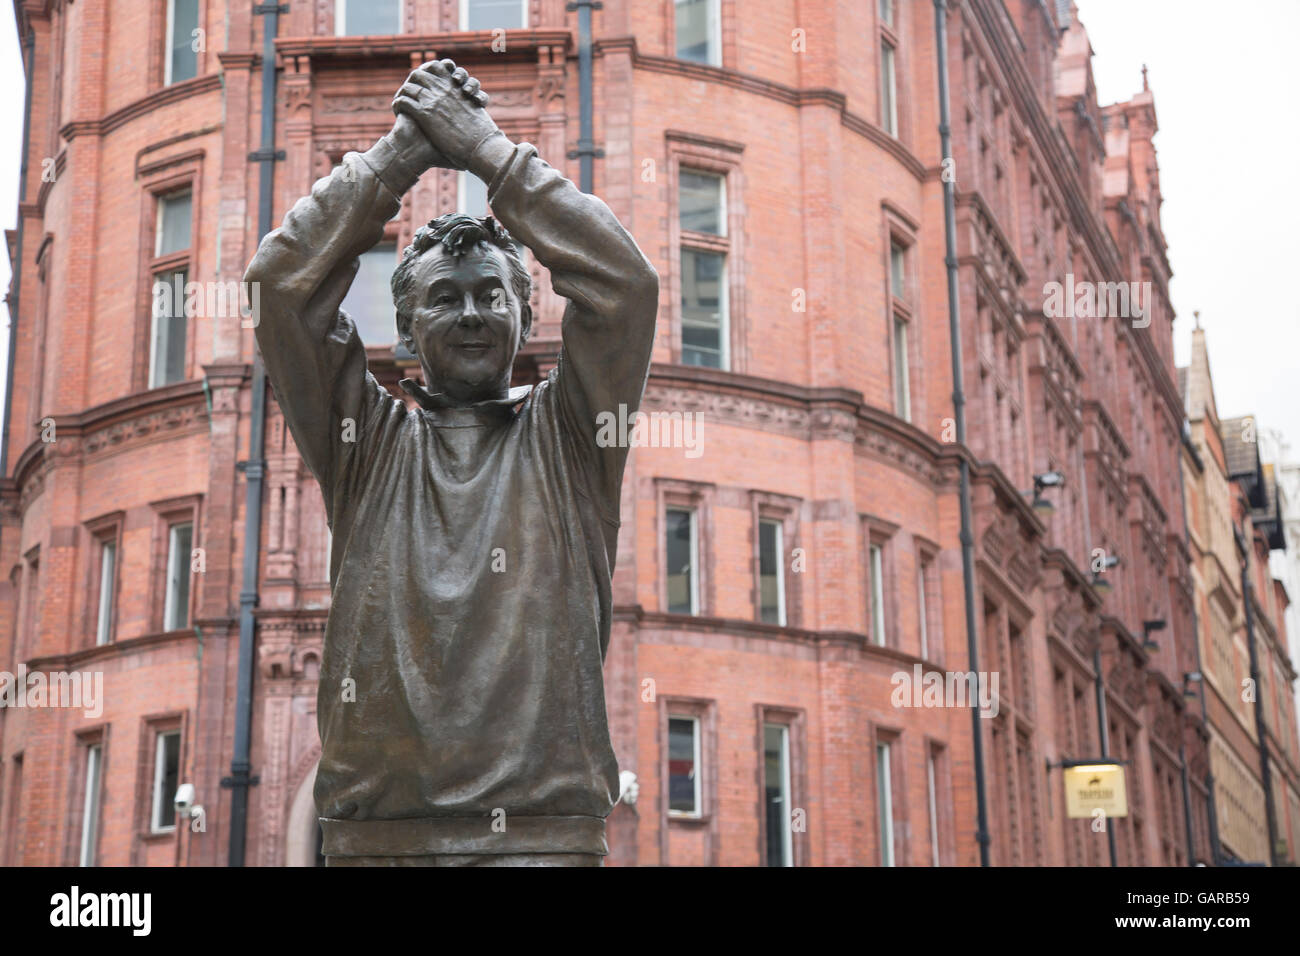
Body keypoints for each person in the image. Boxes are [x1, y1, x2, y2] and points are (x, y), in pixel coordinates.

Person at [243, 59, 659, 866]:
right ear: (402, 332)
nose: (470, 313)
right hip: (378, 841)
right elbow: (276, 288)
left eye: (490, 295)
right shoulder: (363, 444)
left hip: (541, 841)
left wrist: (487, 151)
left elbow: (626, 286)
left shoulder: (575, 440)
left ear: (524, 316)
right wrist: (403, 154)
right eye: (444, 297)